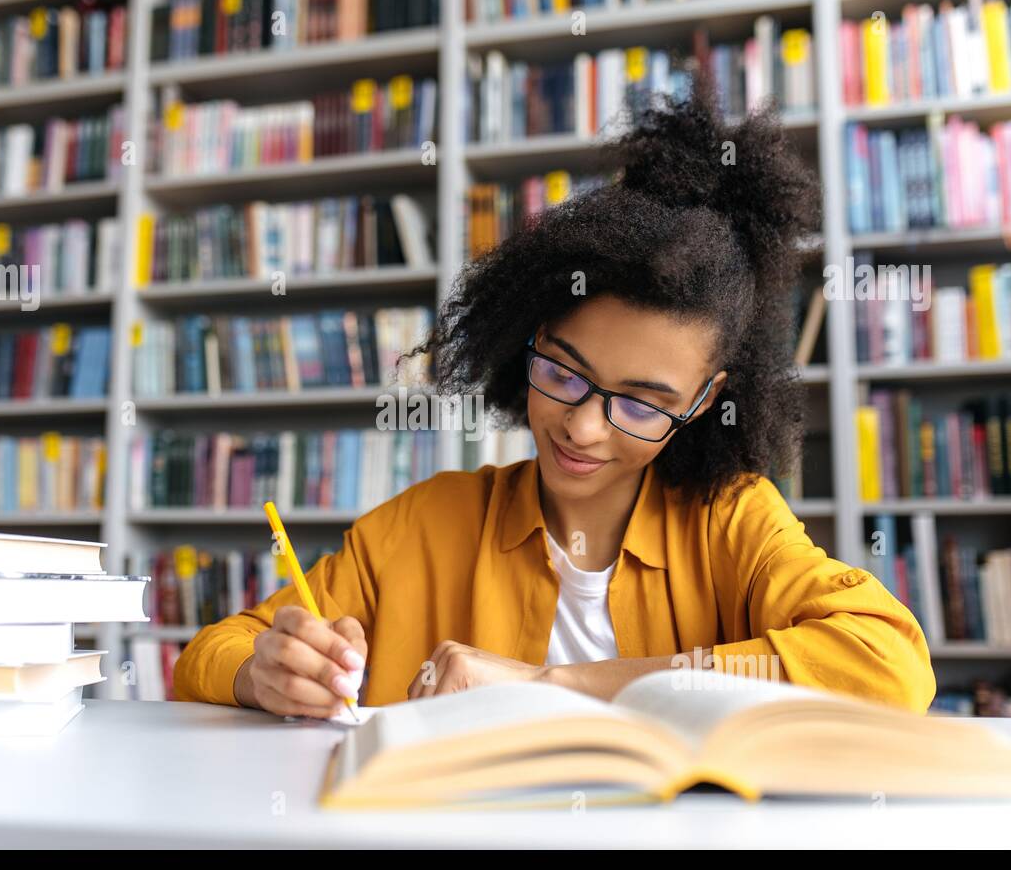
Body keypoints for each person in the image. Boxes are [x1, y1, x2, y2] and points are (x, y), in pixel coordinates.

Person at [172, 81, 937, 718]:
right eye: (565, 372)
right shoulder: (420, 528)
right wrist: (260, 672)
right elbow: (211, 655)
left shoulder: (731, 522)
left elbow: (888, 665)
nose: (581, 425)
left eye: (642, 403)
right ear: (527, 335)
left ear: (705, 400)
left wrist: (550, 686)